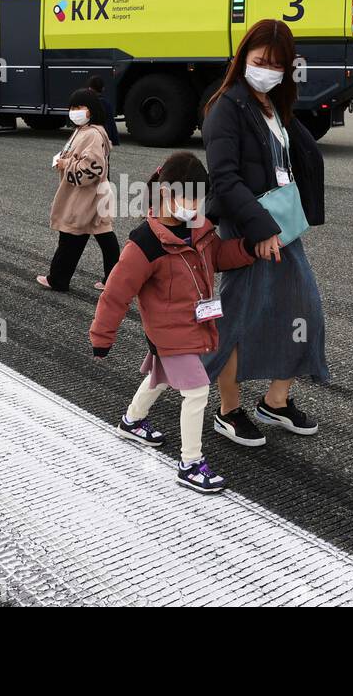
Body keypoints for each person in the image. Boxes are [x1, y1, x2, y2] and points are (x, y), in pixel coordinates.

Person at [90, 152, 258, 494]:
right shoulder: (145, 243)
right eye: (188, 196)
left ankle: (132, 421)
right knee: (196, 390)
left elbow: (218, 257)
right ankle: (190, 464)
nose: (194, 204)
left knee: (161, 378)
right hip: (168, 331)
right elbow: (116, 293)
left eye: (199, 197)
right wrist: (102, 337)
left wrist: (248, 248)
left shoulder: (198, 230)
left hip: (192, 325)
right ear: (164, 192)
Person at [200, 19, 327, 448]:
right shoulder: (226, 108)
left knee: (304, 310)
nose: (267, 70)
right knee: (237, 319)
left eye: (276, 64)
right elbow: (223, 178)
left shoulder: (274, 107)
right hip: (249, 228)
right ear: (243, 58)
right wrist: (260, 228)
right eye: (259, 61)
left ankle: (275, 401)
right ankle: (228, 410)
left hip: (280, 227)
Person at [35, 89, 119, 292]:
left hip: (85, 195)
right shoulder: (86, 130)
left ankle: (58, 279)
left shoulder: (91, 133)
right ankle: (115, 280)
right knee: (103, 236)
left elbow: (91, 167)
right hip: (96, 194)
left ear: (91, 110)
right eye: (72, 107)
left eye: (79, 107)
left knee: (71, 234)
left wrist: (65, 164)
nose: (74, 111)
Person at [87, 75, 119, 146]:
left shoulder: (88, 103)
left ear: (89, 89)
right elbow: (111, 122)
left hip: (92, 135)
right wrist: (115, 140)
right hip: (105, 135)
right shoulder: (107, 103)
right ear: (103, 89)